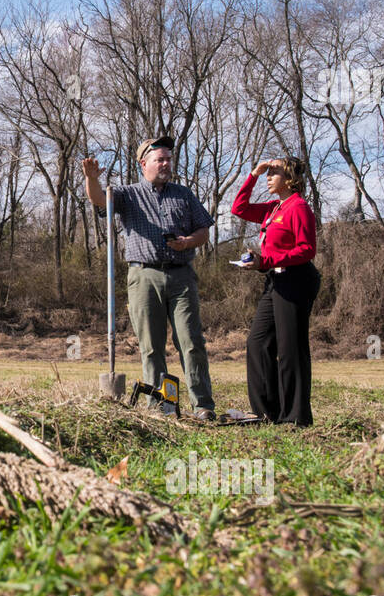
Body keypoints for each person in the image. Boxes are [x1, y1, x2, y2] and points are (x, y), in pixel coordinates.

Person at [83, 136, 217, 421]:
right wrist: (91, 178)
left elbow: (204, 231)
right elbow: (98, 200)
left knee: (191, 342)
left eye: (169, 158)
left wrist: (187, 241)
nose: (166, 164)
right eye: (160, 159)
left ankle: (203, 405)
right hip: (143, 275)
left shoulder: (183, 194)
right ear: (144, 164)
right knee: (151, 346)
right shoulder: (128, 194)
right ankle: (161, 406)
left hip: (181, 276)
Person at [231, 156, 320, 426]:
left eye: (273, 173)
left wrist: (266, 261)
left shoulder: (299, 207)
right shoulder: (273, 208)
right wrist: (253, 174)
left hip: (296, 280)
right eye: (267, 174)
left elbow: (307, 249)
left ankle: (295, 417)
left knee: (291, 349)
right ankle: (266, 412)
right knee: (257, 343)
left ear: (290, 178)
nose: (268, 177)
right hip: (274, 281)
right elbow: (239, 208)